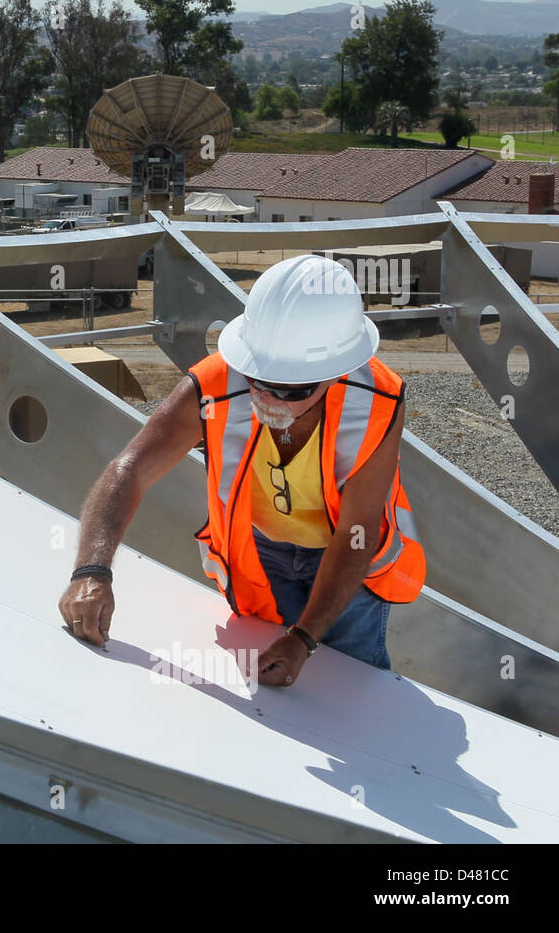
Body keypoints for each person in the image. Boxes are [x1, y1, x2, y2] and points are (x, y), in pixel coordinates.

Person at [58, 254, 425, 686]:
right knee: (267, 683)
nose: (269, 396)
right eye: (258, 377)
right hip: (261, 554)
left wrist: (303, 638)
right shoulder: (214, 384)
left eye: (293, 388)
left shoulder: (376, 403)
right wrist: (91, 570)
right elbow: (132, 467)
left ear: (337, 373)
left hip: (344, 560)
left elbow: (356, 532)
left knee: (353, 688)